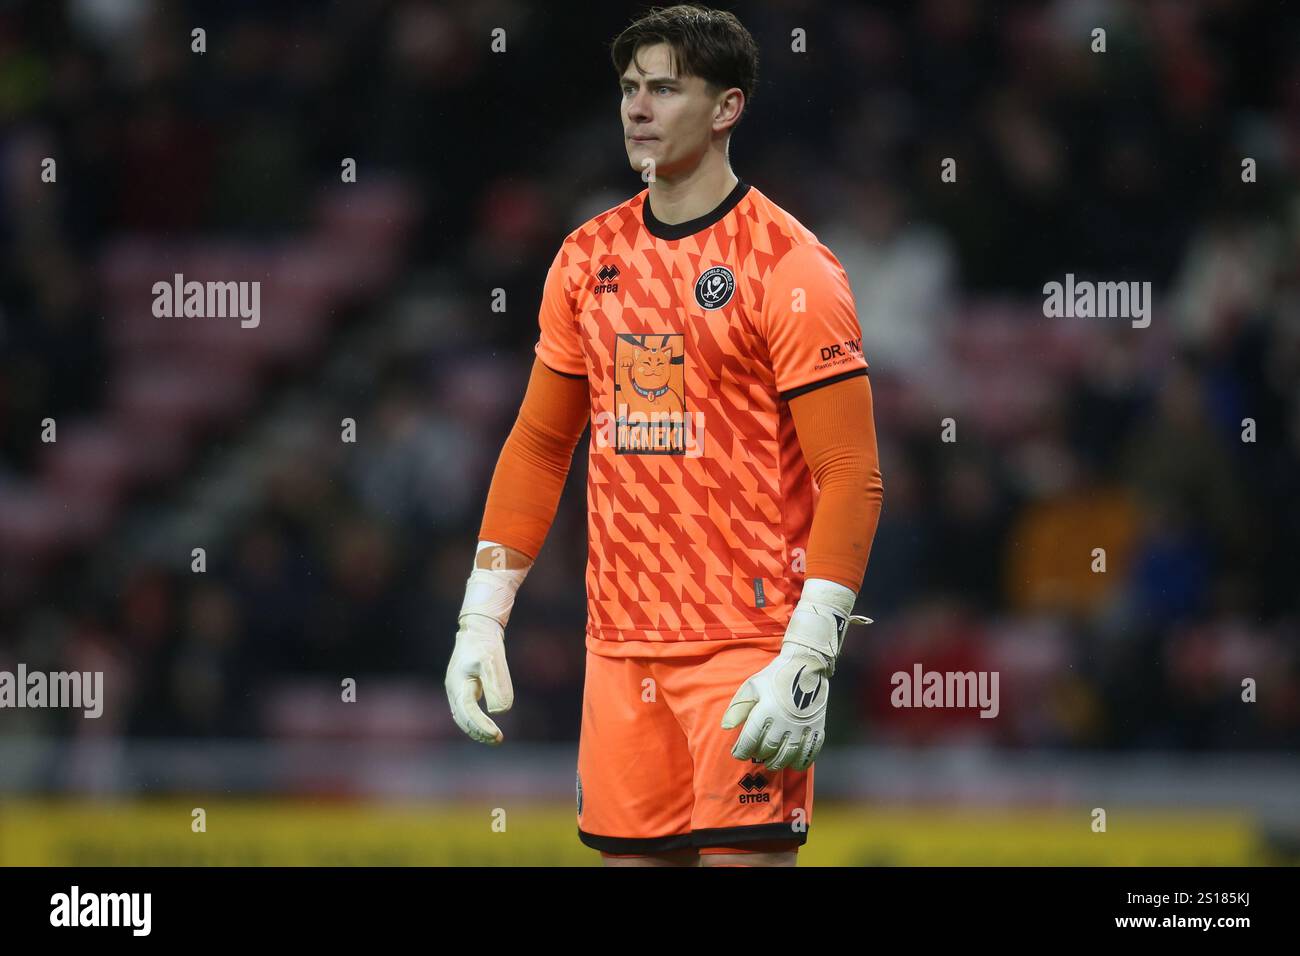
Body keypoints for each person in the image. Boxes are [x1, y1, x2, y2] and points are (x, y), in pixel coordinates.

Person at [445, 4, 884, 867]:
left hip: (746, 650)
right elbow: (539, 444)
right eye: (630, 88)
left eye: (665, 88)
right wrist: (481, 615)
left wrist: (811, 650)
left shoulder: (791, 268)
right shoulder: (584, 259)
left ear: (727, 109)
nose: (637, 107)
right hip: (618, 650)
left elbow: (851, 471)